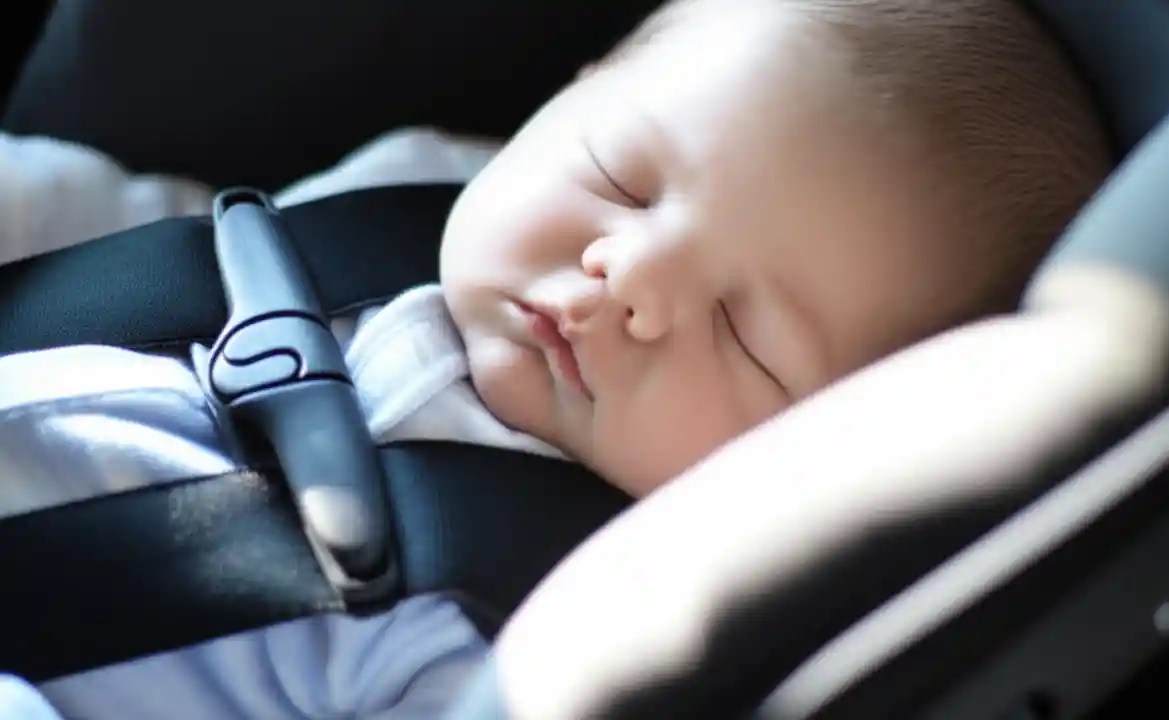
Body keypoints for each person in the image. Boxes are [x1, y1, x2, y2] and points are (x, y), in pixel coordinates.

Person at [0, 0, 1109, 716]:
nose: (628, 275)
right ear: (573, 94)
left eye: (745, 335)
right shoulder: (415, 194)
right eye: (620, 177)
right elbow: (146, 242)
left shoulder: (531, 625)